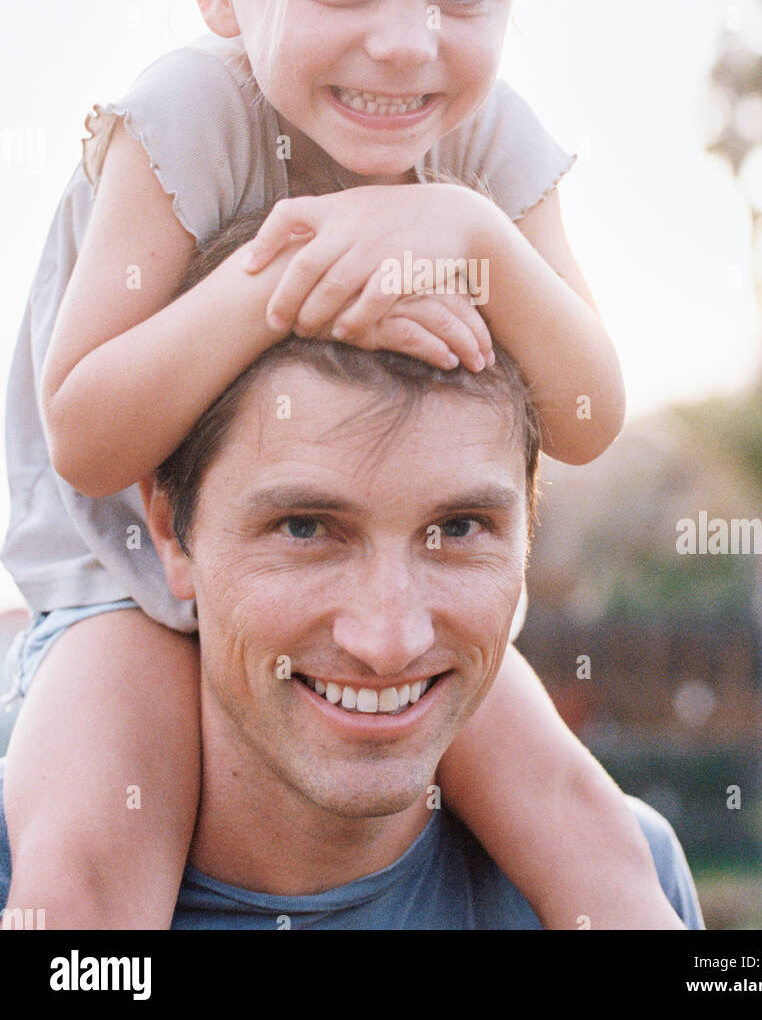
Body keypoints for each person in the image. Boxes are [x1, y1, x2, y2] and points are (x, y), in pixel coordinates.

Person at [1, 0, 672, 930]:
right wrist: (274, 281)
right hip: (123, 572)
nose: (404, 42)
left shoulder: (483, 144)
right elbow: (89, 441)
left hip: (375, 599)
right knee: (85, 878)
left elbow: (584, 415)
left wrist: (475, 243)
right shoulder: (188, 119)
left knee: (593, 837)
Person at [1, 223, 703, 928]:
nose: (389, 641)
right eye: (304, 528)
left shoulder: (628, 880)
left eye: (458, 529)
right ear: (169, 532)